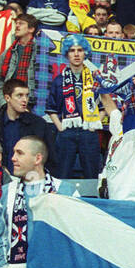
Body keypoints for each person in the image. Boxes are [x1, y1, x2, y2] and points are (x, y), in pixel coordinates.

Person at [0, 137, 76, 268]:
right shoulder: (5, 193)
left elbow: (78, 234)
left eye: (19, 153)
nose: (12, 158)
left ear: (37, 159)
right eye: (13, 153)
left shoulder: (65, 190)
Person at [45, 34, 104, 179]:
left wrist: (93, 125)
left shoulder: (94, 80)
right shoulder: (59, 80)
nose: (76, 54)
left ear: (86, 53)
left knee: (92, 176)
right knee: (62, 175)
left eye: (80, 50)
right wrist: (60, 127)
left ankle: (92, 201)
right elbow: (52, 108)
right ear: (67, 54)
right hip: (67, 133)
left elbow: (103, 107)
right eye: (72, 50)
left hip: (88, 132)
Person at [0, 77, 53, 171]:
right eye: (19, 95)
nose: (25, 100)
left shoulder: (38, 124)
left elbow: (50, 157)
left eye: (27, 95)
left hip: (30, 177)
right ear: (7, 98)